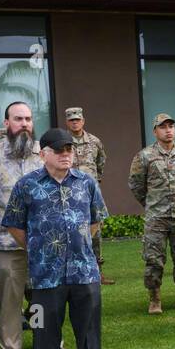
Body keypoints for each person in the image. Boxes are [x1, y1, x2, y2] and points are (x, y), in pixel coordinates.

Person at [2, 128, 111, 349]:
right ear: (44, 154)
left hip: (84, 272)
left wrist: (78, 241)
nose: (66, 155)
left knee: (88, 331)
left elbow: (95, 220)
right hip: (44, 275)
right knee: (44, 332)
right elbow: (14, 224)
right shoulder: (26, 185)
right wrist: (38, 248)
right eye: (60, 150)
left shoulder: (86, 182)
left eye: (70, 150)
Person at [0, 102, 73, 349]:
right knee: (10, 303)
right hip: (7, 245)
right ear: (7, 123)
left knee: (42, 302)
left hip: (44, 244)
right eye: (18, 119)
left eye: (28, 118)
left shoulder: (45, 153)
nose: (25, 124)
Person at [129, 112, 175, 315]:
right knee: (154, 258)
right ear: (155, 131)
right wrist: (151, 203)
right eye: (163, 127)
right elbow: (136, 185)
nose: (168, 130)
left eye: (171, 126)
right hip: (157, 216)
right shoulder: (145, 156)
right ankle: (155, 299)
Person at [64, 107, 112, 285]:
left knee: (95, 232)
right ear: (67, 122)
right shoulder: (62, 141)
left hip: (89, 195)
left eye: (77, 119)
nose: (75, 122)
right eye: (71, 120)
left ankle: (98, 271)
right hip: (67, 194)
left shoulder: (94, 141)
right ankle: (71, 270)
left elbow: (101, 163)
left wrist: (95, 181)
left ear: (83, 121)